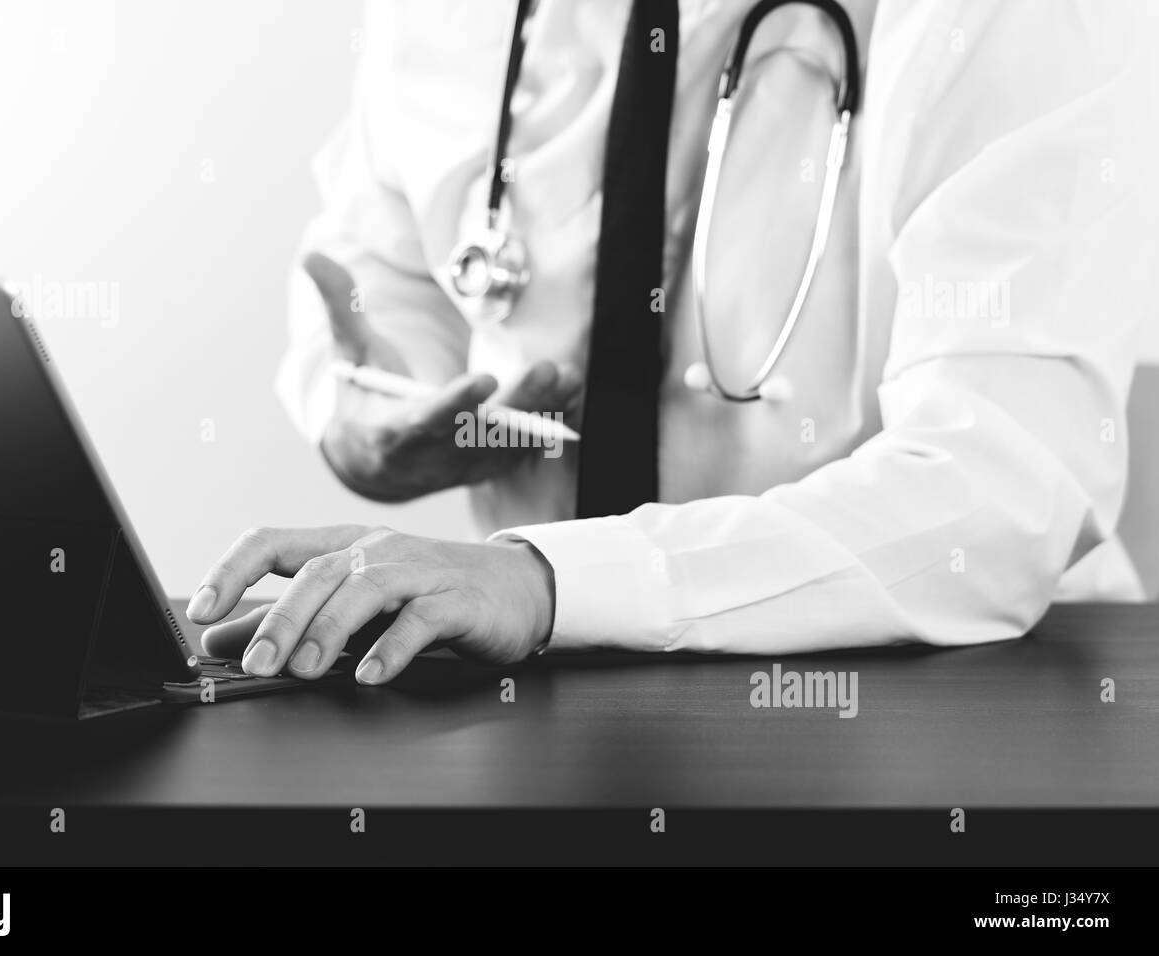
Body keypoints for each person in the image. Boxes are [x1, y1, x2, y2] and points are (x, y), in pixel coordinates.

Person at [186, 0, 1158, 686]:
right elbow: (368, 268)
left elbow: (992, 490)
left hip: (962, 695)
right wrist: (363, 411)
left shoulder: (1016, 15)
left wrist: (550, 577)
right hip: (540, 691)